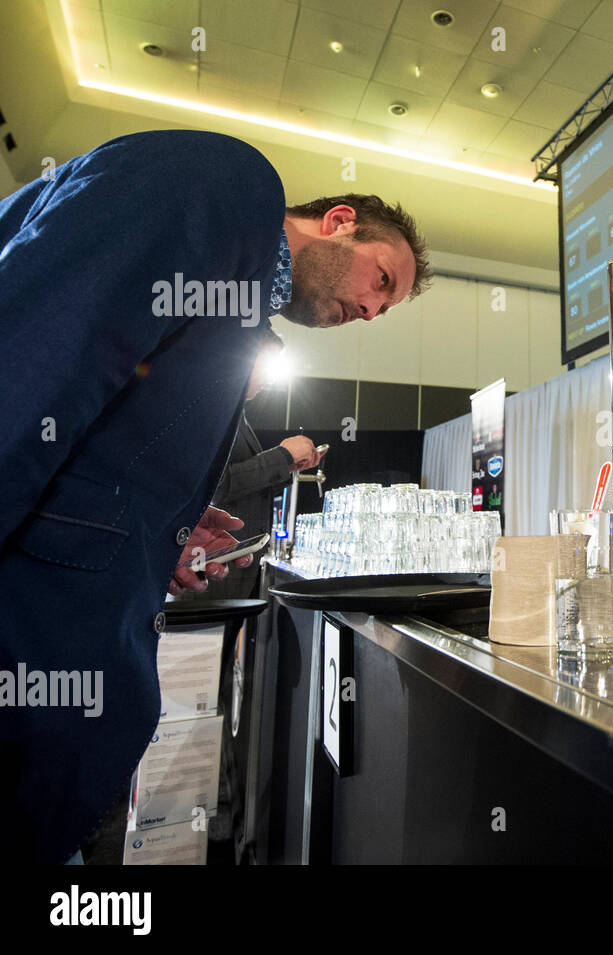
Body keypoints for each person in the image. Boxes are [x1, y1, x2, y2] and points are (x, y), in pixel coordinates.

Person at [0, 128, 431, 862]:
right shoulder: (227, 182)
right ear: (339, 223)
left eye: (383, 311)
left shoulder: (231, 311)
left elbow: (98, 422)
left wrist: (162, 522)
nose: (369, 310)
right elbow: (40, 356)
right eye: (381, 281)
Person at [179, 333, 326, 600]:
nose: (269, 379)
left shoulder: (233, 412)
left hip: (229, 572)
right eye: (266, 364)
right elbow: (215, 487)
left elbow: (238, 474)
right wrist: (282, 455)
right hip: (205, 575)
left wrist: (288, 464)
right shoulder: (206, 406)